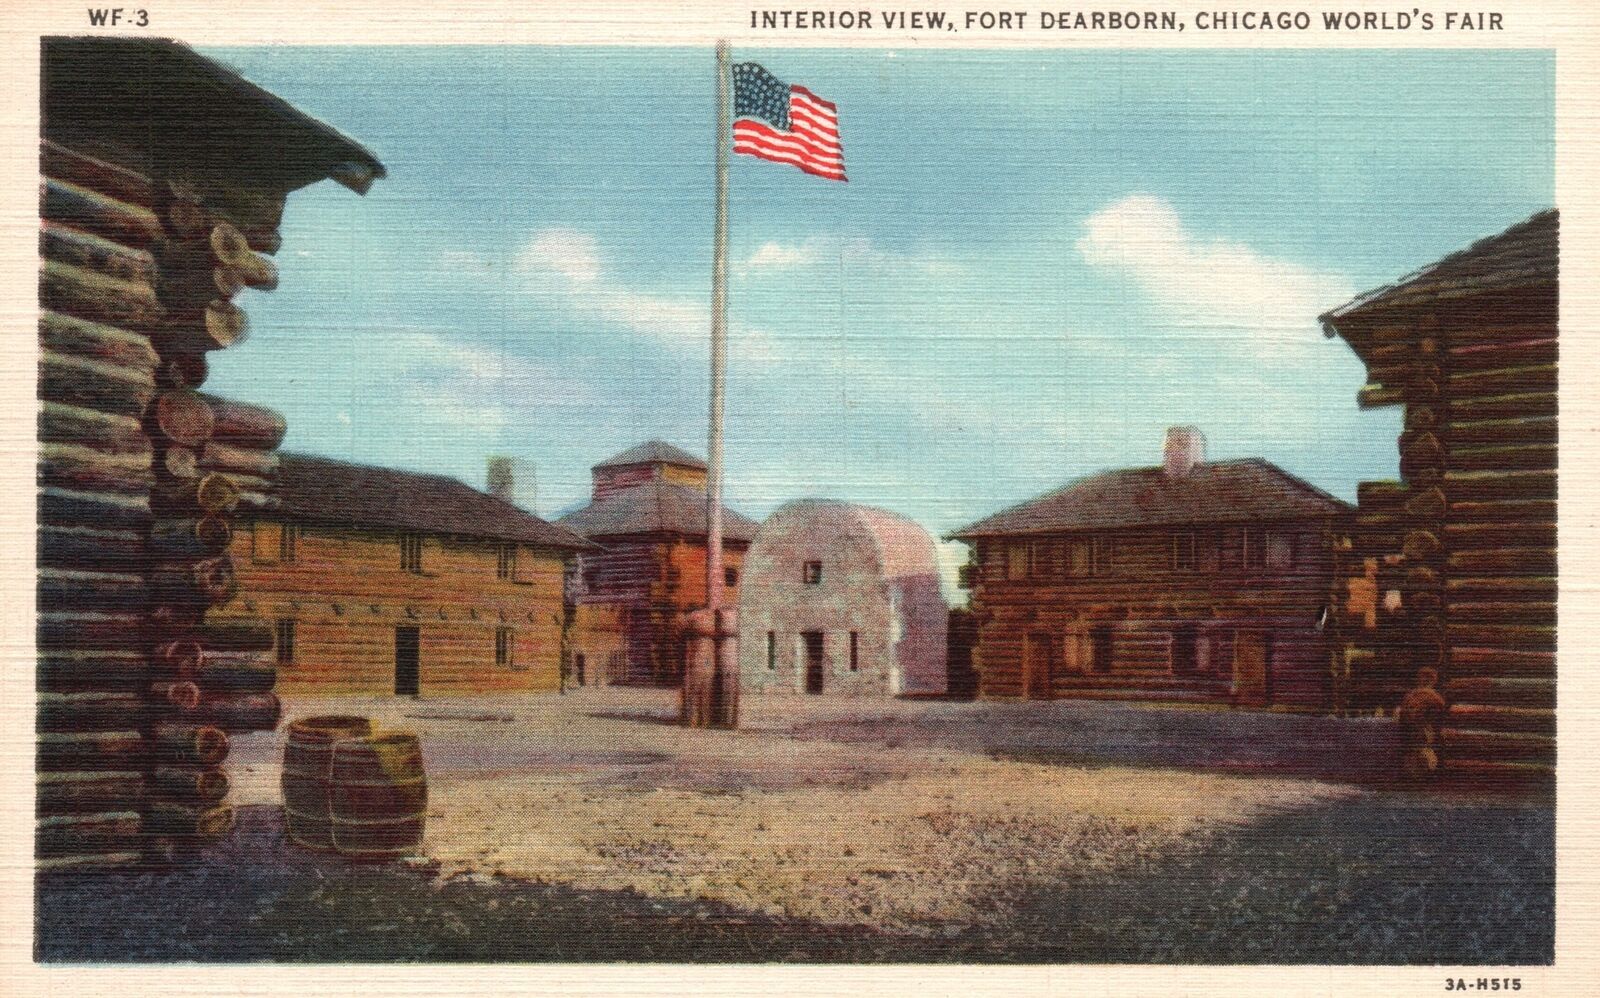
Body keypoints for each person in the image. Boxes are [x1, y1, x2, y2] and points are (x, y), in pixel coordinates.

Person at [1395, 666, 1447, 778]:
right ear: (1434, 680)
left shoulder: (1410, 696)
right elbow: (1440, 716)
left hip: (1411, 732)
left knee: (1415, 751)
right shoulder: (1435, 697)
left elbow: (1402, 714)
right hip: (1422, 732)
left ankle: (1416, 770)